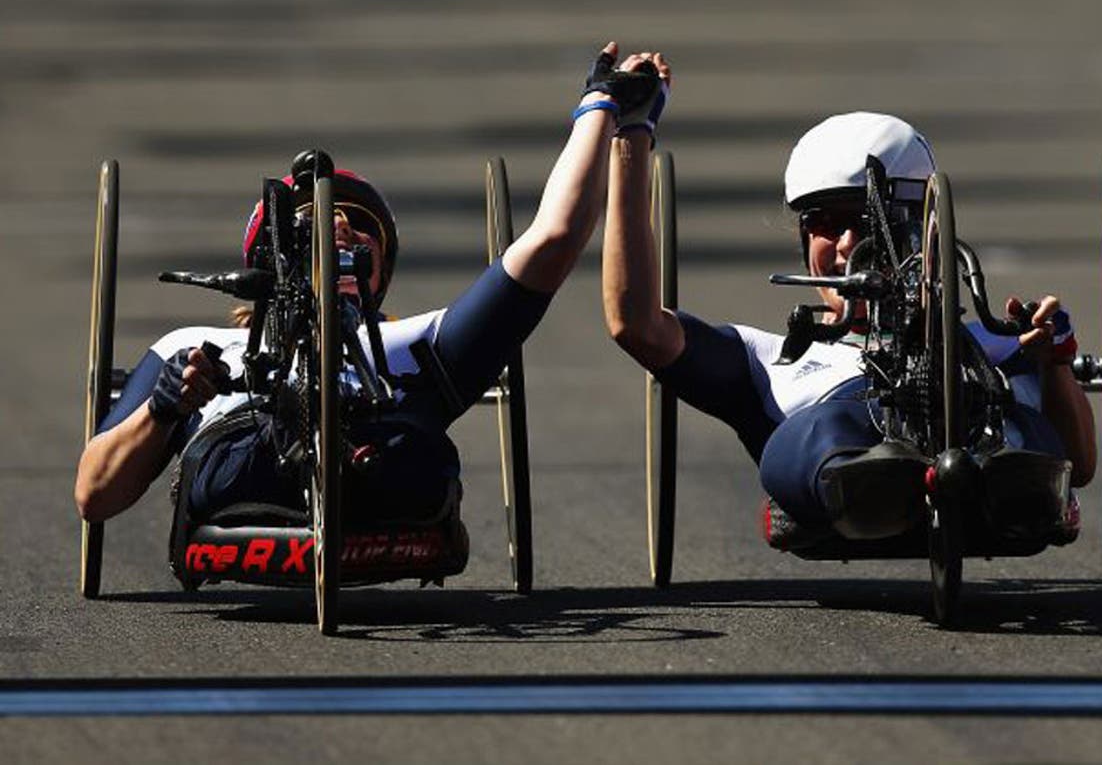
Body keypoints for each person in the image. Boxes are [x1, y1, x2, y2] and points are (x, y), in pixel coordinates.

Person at [75, 41, 671, 548]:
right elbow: (92, 495)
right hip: (242, 464)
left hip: (383, 461)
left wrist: (604, 108)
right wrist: (162, 408)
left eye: (359, 227)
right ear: (268, 260)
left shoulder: (412, 344)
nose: (339, 226)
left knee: (417, 454)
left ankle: (345, 436)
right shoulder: (198, 347)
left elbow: (554, 241)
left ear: (378, 267)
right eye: (314, 221)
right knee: (237, 452)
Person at [603, 107, 1096, 549]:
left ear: (923, 230)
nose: (845, 246)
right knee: (822, 426)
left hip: (991, 474)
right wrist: (631, 134)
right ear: (802, 235)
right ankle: (869, 483)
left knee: (1011, 423)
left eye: (866, 223)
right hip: (836, 468)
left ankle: (1009, 482)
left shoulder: (1002, 343)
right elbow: (636, 325)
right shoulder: (766, 359)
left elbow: (1082, 463)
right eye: (825, 223)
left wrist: (1056, 363)